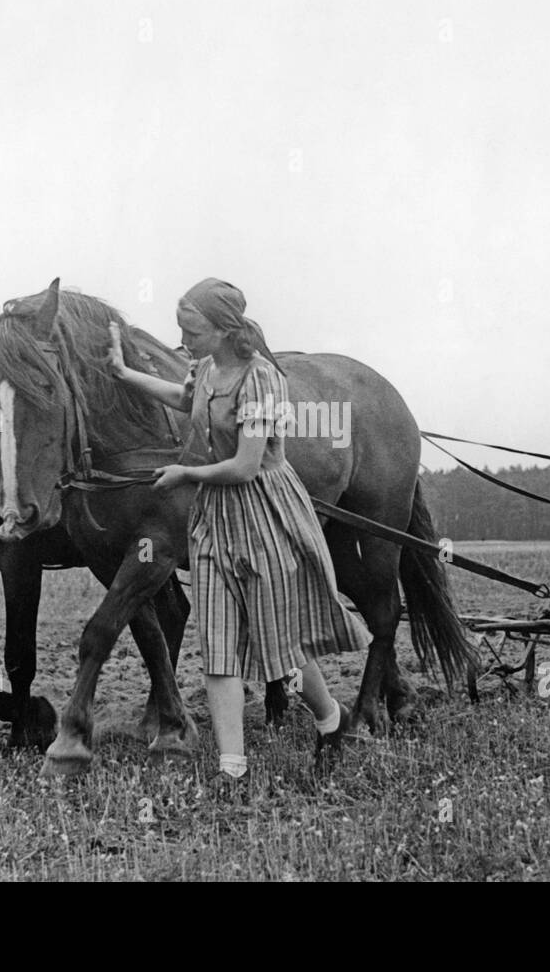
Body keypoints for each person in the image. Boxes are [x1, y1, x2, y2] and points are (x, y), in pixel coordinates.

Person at [107, 278, 369, 780]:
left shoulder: (261, 379)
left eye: (193, 331)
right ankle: (233, 771)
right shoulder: (206, 368)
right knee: (220, 648)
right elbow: (185, 400)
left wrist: (185, 474)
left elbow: (247, 467)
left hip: (263, 514)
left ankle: (332, 720)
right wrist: (124, 375)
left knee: (282, 647)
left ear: (225, 328)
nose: (183, 340)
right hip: (211, 519)